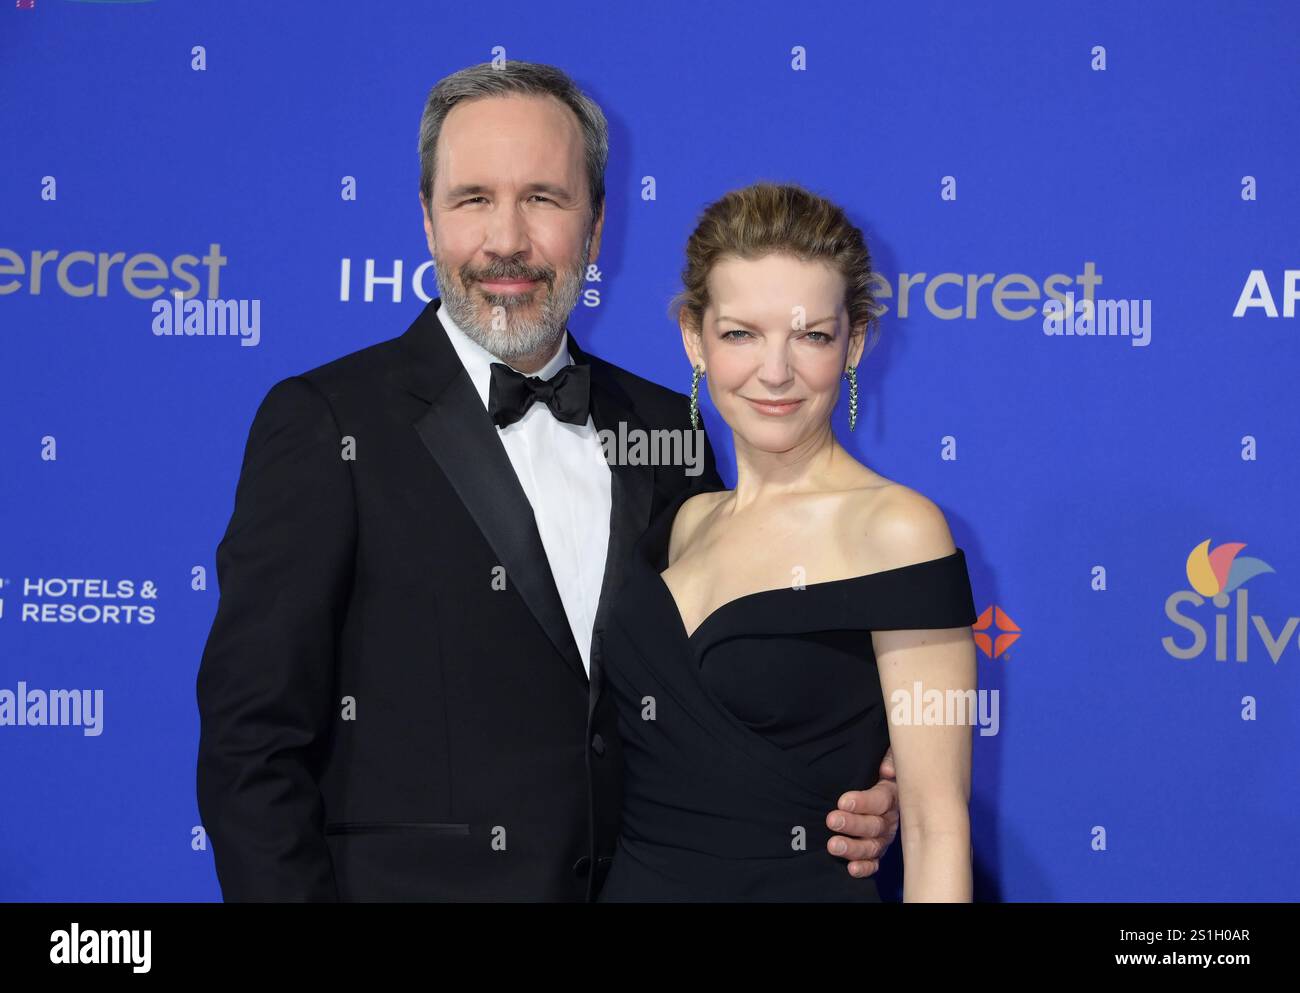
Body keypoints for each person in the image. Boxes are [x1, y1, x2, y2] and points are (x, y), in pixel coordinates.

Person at [195, 62, 900, 902]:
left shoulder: (668, 430)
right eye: (473, 199)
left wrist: (859, 790)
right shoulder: (326, 422)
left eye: (543, 198)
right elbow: (251, 746)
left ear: (596, 227)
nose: (507, 240)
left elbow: (726, 697)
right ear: (427, 220)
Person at [596, 182, 978, 902]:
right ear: (694, 339)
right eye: (741, 334)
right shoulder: (684, 521)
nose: (775, 372)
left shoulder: (898, 530)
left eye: (812, 335)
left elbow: (937, 829)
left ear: (855, 342)